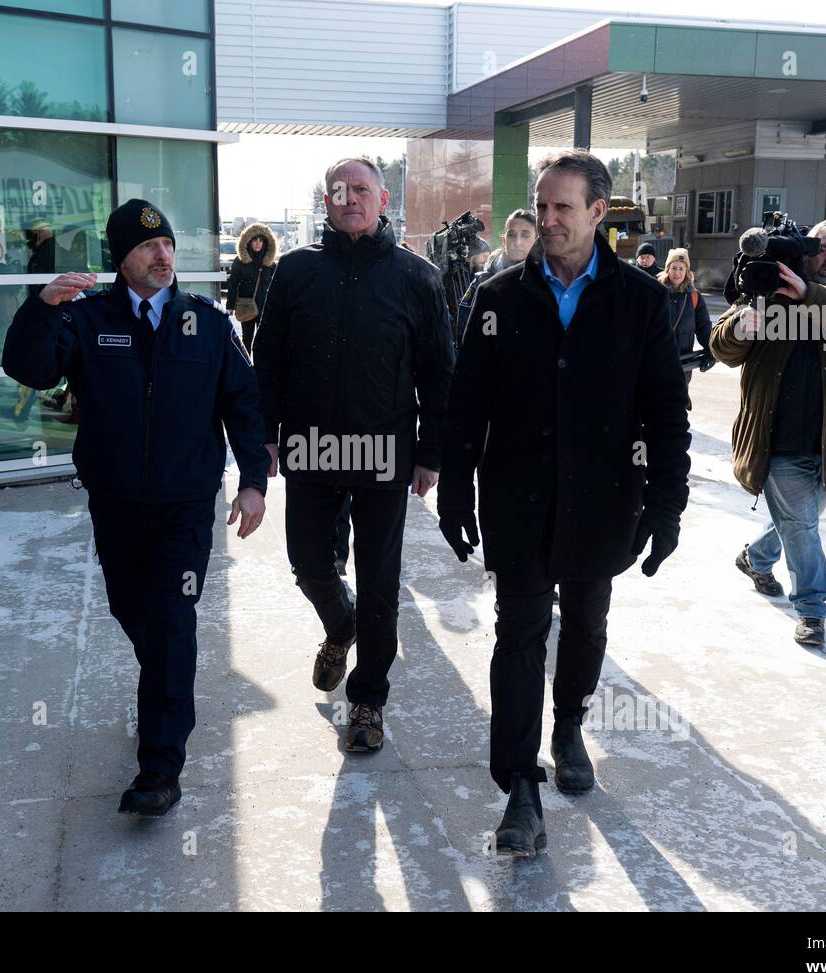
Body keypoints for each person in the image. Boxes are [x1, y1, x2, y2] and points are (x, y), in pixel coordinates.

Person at [438, 149, 691, 857]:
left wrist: (668, 506)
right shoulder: (498, 298)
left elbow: (667, 413)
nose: (547, 219)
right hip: (517, 501)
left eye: (562, 208)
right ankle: (519, 785)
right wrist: (457, 484)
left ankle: (571, 720)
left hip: (605, 502)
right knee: (517, 632)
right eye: (541, 207)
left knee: (584, 621)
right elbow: (467, 405)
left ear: (598, 213)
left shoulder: (641, 303)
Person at [2, 198, 269, 818]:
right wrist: (42, 309)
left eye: (168, 244)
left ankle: (160, 766)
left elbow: (243, 404)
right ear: (121, 259)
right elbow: (30, 368)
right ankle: (164, 687)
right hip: (116, 502)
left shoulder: (205, 322)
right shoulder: (89, 320)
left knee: (174, 621)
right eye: (148, 247)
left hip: (184, 504)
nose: (163, 255)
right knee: (132, 608)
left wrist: (253, 480)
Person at [254, 157, 454, 753]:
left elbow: (439, 374)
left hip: (384, 451)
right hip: (310, 447)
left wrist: (431, 454)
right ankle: (339, 627)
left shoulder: (416, 277)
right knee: (310, 564)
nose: (349, 199)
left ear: (383, 199)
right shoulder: (294, 272)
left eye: (361, 189)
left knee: (380, 583)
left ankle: (368, 701)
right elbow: (267, 363)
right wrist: (265, 435)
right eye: (338, 190)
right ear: (325, 200)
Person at [711, 218, 826, 647]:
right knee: (801, 523)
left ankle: (755, 559)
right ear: (809, 250)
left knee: (797, 518)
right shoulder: (769, 292)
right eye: (824, 249)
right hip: (779, 440)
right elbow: (721, 347)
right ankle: (812, 607)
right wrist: (741, 326)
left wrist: (809, 295)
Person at [456, 209, 537, 342]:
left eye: (525, 235)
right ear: (504, 239)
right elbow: (465, 336)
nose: (517, 242)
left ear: (536, 240)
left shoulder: (549, 284)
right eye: (511, 235)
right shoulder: (483, 283)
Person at [658, 248, 716, 409]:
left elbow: (704, 327)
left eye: (681, 268)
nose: (677, 273)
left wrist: (712, 353)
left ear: (687, 271)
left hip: (683, 362)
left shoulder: (694, 296)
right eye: (674, 268)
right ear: (667, 269)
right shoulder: (656, 293)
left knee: (677, 406)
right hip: (656, 361)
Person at [224, 222, 278, 352]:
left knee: (263, 339)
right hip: (245, 305)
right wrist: (230, 305)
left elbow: (276, 286)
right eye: (255, 240)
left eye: (261, 240)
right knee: (246, 338)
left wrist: (277, 306)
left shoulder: (270, 262)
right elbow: (233, 283)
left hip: (265, 306)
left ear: (266, 243)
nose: (258, 243)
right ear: (248, 242)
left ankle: (261, 368)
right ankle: (247, 367)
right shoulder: (241, 260)